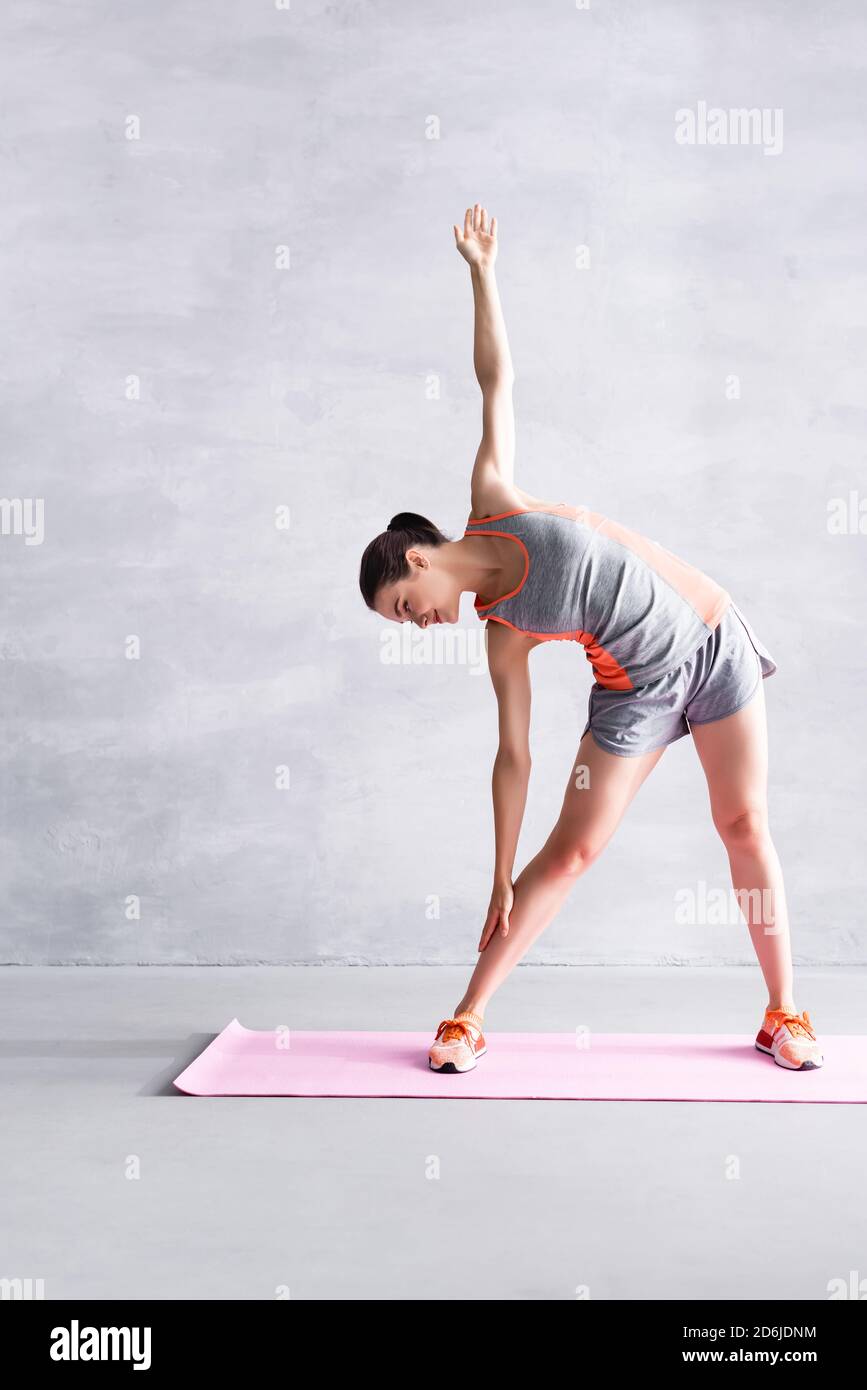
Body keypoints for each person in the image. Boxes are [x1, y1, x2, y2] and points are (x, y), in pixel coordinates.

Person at [359, 205, 823, 1076]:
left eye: (404, 604)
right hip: (634, 695)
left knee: (743, 822)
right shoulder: (499, 636)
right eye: (404, 623)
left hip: (713, 640)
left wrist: (481, 272)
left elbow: (494, 382)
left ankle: (783, 1013)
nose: (417, 623)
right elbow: (513, 757)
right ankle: (466, 1018)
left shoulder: (494, 499)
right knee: (570, 851)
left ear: (417, 557)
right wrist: (497, 872)